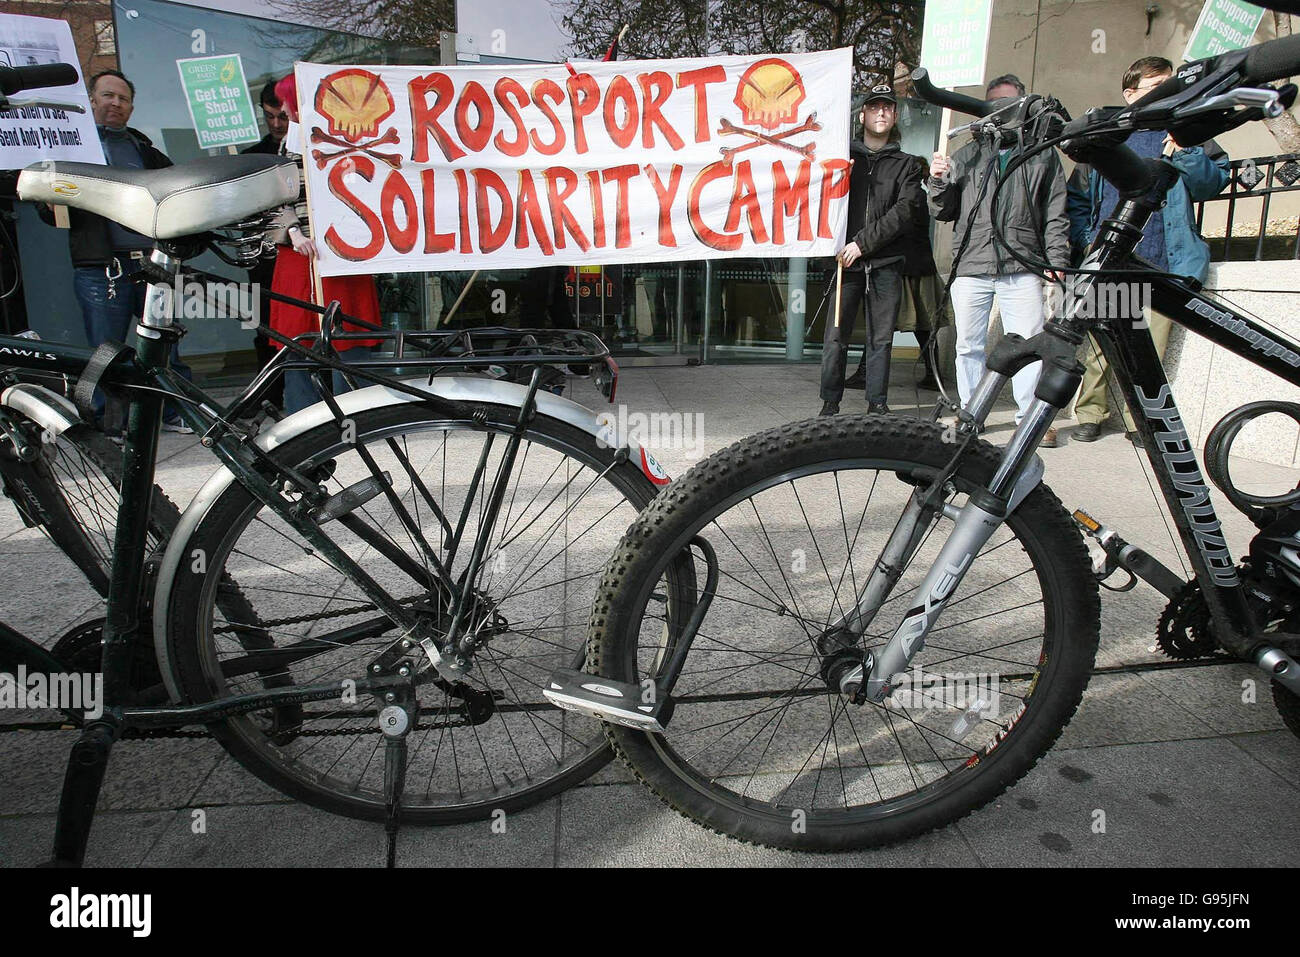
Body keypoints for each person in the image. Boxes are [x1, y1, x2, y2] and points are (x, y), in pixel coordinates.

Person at [1067, 56, 1230, 442]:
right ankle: (1091, 413)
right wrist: (1088, 237)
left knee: (1150, 354)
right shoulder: (1108, 133)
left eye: (1172, 84)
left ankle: (1139, 421)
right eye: (1157, 85)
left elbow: (1212, 184)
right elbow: (1078, 197)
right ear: (1130, 94)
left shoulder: (1188, 131)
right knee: (1101, 346)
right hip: (1109, 258)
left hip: (1165, 262)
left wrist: (1186, 149)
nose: (1168, 92)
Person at [38, 70, 194, 433]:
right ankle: (109, 424)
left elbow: (175, 193)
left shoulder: (143, 148)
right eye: (108, 95)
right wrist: (49, 203)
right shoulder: (72, 148)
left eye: (123, 99)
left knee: (164, 343)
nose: (115, 103)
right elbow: (48, 211)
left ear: (131, 107)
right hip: (102, 268)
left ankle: (171, 414)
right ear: (92, 101)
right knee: (104, 352)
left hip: (152, 265)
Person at [928, 73, 1070, 446]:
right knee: (968, 346)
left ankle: (1031, 420)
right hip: (971, 265)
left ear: (1023, 106)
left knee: (1030, 346)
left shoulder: (1042, 155)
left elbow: (1056, 213)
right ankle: (971, 416)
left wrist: (1056, 259)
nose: (1000, 112)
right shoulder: (968, 154)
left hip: (1021, 264)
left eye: (1009, 103)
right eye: (993, 105)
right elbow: (943, 211)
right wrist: (939, 181)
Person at [267, 73, 381, 414]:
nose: (283, 108)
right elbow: (277, 197)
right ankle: (306, 417)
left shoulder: (345, 139)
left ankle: (356, 411)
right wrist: (293, 231)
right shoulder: (288, 145)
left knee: (346, 336)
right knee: (300, 342)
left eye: (286, 100)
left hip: (340, 252)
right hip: (303, 256)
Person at [819, 83, 928, 416]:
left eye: (887, 107)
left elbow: (905, 211)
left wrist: (861, 244)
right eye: (874, 106)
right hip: (843, 263)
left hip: (885, 262)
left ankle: (877, 402)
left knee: (881, 339)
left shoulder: (907, 164)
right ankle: (830, 402)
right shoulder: (841, 160)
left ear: (894, 116)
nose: (881, 112)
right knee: (836, 335)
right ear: (863, 114)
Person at [241, 81, 290, 408]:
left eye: (281, 117)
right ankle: (269, 396)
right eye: (269, 116)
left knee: (298, 330)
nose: (275, 124)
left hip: (295, 255)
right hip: (263, 259)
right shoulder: (251, 158)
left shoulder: (306, 150)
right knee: (264, 329)